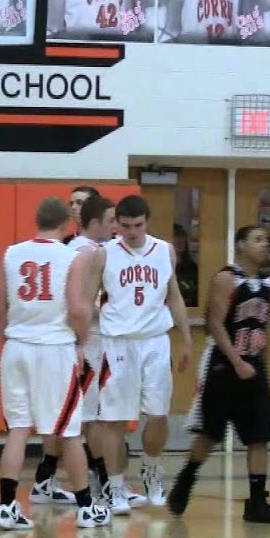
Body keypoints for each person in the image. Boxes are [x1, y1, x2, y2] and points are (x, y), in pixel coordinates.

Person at [0, 197, 111, 531]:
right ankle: (87, 507)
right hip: (53, 348)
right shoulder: (70, 256)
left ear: (35, 220)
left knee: (18, 428)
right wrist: (80, 340)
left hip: (16, 346)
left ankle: (6, 506)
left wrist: (11, 340)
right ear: (66, 226)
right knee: (68, 430)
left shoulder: (10, 253)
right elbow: (76, 308)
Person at [168, 225, 270, 524]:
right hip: (225, 364)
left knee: (260, 436)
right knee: (210, 434)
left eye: (265, 240)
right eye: (257, 240)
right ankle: (185, 481)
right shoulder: (226, 278)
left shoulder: (268, 282)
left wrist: (263, 364)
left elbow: (266, 325)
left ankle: (257, 502)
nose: (264, 245)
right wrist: (236, 362)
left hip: (253, 363)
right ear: (240, 245)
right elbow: (215, 325)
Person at [85, 195, 194, 513]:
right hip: (117, 342)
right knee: (114, 420)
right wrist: (79, 343)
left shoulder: (164, 251)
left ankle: (150, 470)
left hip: (155, 340)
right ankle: (115, 487)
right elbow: (86, 298)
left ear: (147, 222)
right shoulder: (104, 254)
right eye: (126, 225)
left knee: (158, 415)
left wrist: (185, 339)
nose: (132, 231)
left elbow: (173, 297)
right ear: (116, 223)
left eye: (139, 225)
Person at [62, 193, 121, 503]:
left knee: (88, 416)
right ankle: (102, 482)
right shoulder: (89, 252)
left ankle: (93, 480)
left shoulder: (77, 248)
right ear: (96, 222)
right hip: (89, 340)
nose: (117, 227)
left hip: (86, 340)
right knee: (93, 416)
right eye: (112, 221)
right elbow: (85, 305)